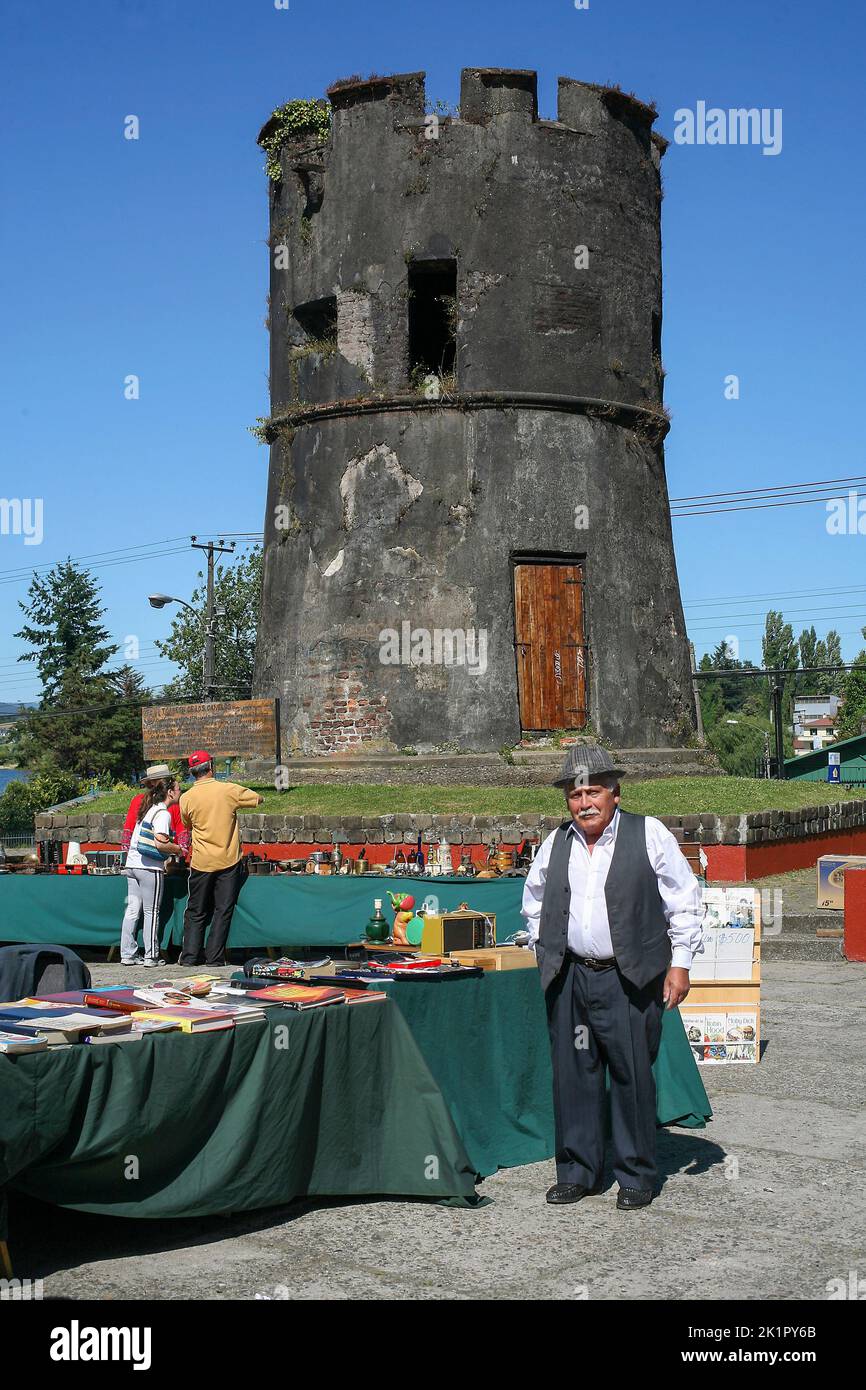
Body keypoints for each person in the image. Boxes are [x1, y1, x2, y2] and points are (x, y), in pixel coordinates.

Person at [521, 743, 703, 1211]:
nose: (585, 803)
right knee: (574, 1077)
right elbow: (535, 899)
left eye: (594, 792)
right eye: (576, 794)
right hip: (572, 978)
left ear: (615, 793)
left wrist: (680, 961)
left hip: (628, 980)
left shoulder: (650, 834)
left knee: (631, 1077)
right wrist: (546, 949)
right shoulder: (556, 841)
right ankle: (577, 1172)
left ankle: (636, 1174)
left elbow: (683, 899)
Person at [178, 750, 263, 966]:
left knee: (196, 910)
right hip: (227, 860)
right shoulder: (227, 790)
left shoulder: (186, 798)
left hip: (201, 861)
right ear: (211, 768)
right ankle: (214, 957)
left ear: (192, 772)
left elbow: (187, 824)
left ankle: (189, 956)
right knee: (222, 910)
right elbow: (257, 798)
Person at [120, 776, 182, 967]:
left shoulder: (147, 809)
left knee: (132, 910)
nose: (181, 792)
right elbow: (160, 842)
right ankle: (151, 956)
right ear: (170, 792)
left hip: (132, 865)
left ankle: (127, 954)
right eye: (178, 789)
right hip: (149, 867)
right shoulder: (163, 813)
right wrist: (178, 849)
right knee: (151, 912)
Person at [121, 764, 190, 860]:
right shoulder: (173, 805)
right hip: (162, 859)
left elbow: (128, 836)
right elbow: (183, 837)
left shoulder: (138, 801)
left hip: (137, 859)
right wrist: (180, 852)